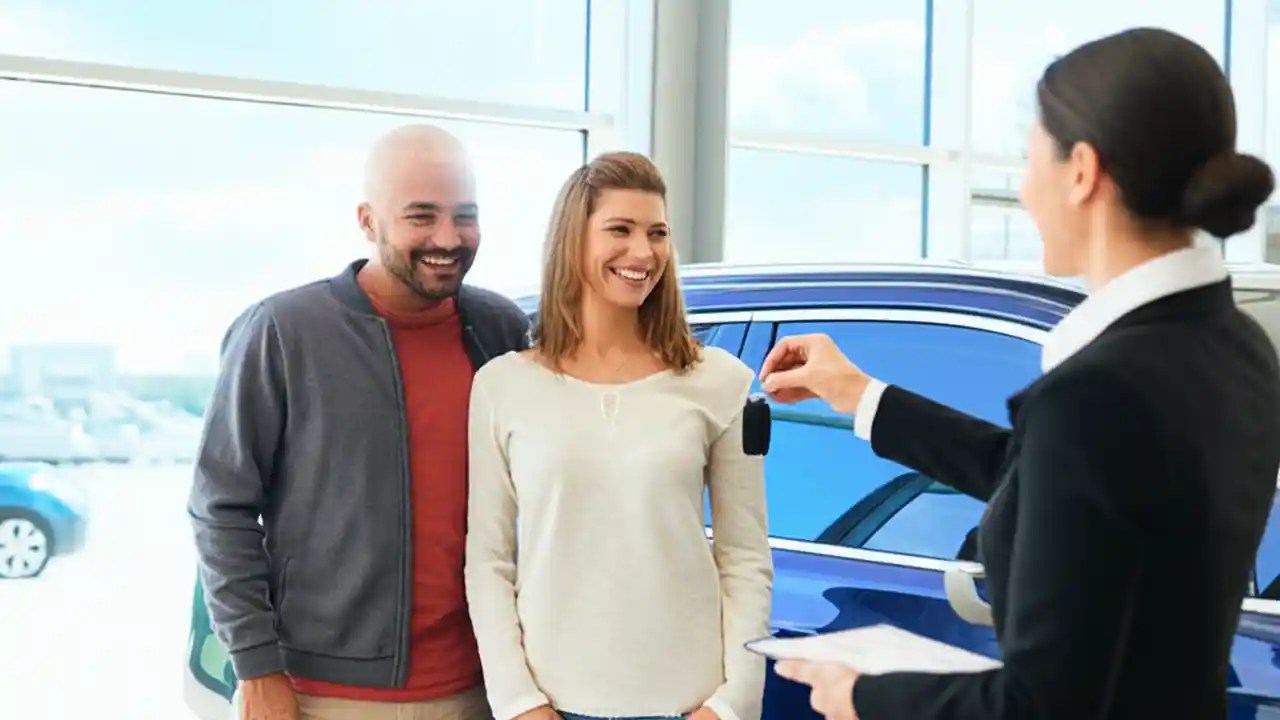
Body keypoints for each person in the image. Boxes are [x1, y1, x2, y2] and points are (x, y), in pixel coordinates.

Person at [759, 27, 1280, 720]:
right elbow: (1057, 478)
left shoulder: (1098, 391)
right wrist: (858, 395)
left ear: (1082, 170)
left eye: (1029, 158)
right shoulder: (1237, 344)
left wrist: (864, 694)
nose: (1025, 189)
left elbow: (1041, 704)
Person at [187, 124, 531, 720]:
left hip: (484, 687)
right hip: (323, 692)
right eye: (421, 216)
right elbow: (220, 506)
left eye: (464, 215)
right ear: (368, 221)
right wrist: (258, 666)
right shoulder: (284, 332)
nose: (448, 238)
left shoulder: (501, 331)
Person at [463, 151, 774, 720]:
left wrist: (732, 705)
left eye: (657, 233)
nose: (644, 252)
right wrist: (517, 703)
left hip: (689, 706)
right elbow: (488, 562)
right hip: (550, 707)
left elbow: (746, 559)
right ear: (572, 241)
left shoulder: (721, 382)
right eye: (620, 230)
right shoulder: (503, 387)